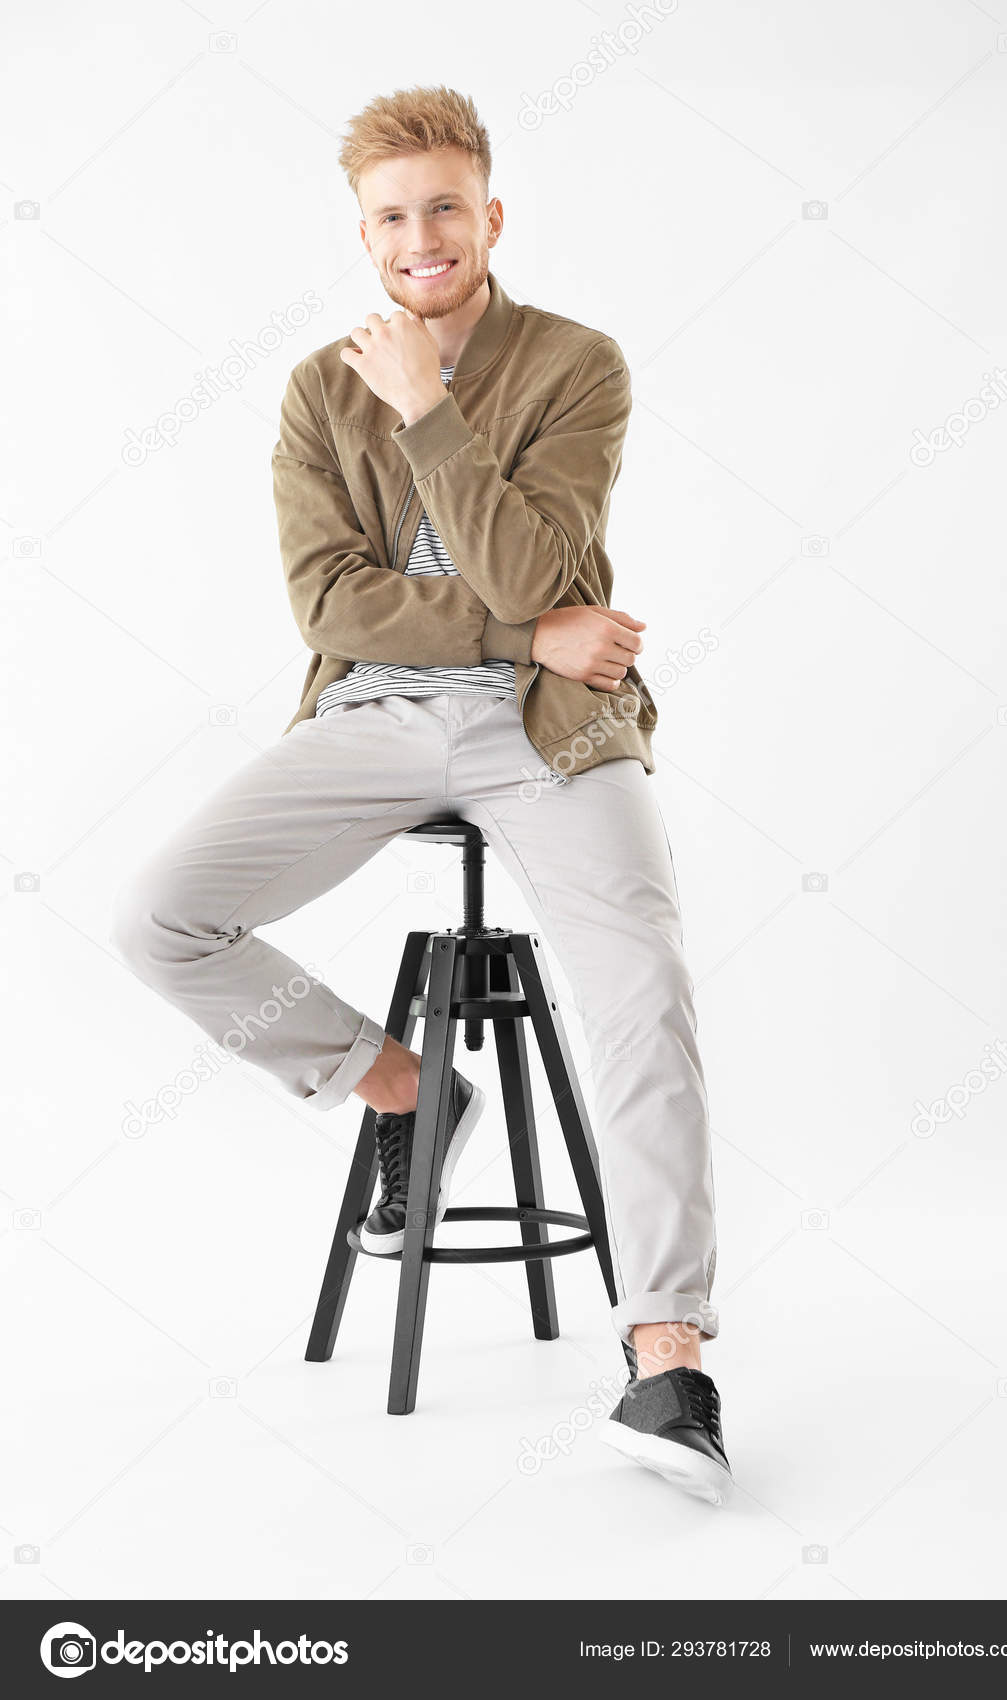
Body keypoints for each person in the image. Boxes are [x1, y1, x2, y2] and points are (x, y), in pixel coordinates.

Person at [110, 84, 730, 1507]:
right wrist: (532, 627)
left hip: (554, 728)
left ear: (490, 216)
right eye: (391, 216)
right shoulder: (319, 389)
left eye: (445, 206)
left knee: (643, 986)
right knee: (161, 919)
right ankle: (403, 1091)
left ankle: (668, 1354)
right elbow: (335, 600)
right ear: (366, 235)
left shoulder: (579, 365)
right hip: (382, 714)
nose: (421, 236)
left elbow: (534, 558)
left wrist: (433, 414)